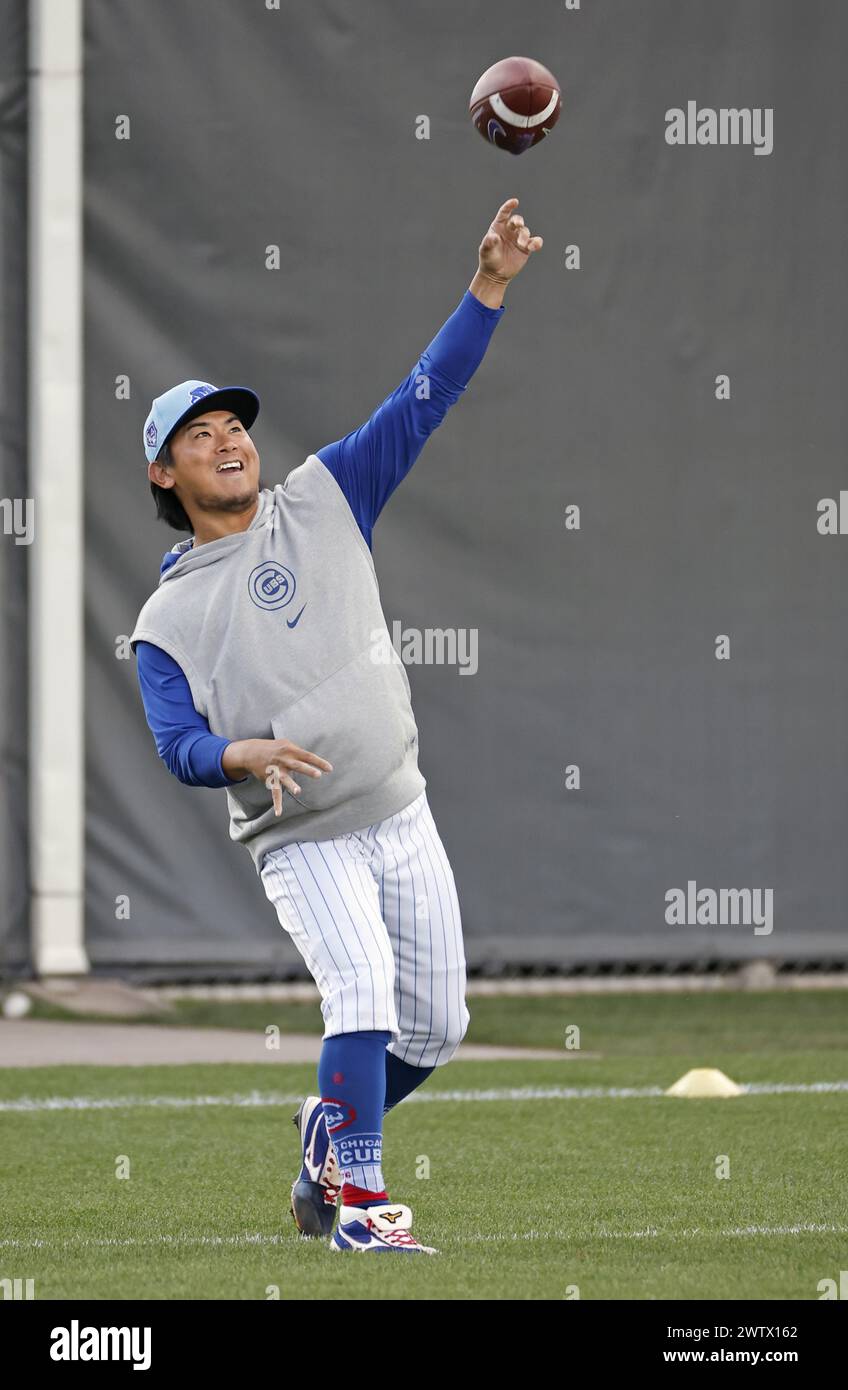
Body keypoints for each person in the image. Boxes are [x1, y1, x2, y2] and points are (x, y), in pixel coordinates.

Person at [130, 198, 543, 1254]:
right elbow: (177, 745)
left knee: (437, 1028)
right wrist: (242, 751)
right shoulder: (165, 618)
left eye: (233, 425)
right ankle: (357, 1203)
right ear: (163, 476)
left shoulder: (323, 494)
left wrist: (486, 285)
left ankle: (328, 1133)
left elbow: (422, 398)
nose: (226, 439)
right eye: (198, 434)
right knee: (356, 988)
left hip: (399, 811)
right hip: (300, 835)